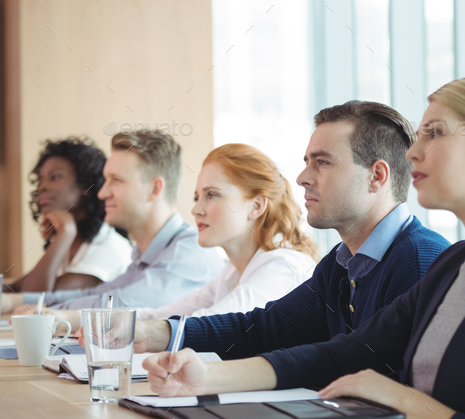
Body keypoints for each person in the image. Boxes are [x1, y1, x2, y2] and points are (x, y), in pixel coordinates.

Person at [143, 76, 465, 419]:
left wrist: (403, 399)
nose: (412, 154)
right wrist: (207, 376)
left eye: (434, 133)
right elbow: (344, 353)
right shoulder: (456, 263)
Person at [134, 100, 450, 355]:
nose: (301, 177)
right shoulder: (338, 265)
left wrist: (216, 375)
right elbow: (265, 328)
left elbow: (371, 372)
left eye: (322, 162)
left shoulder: (420, 260)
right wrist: (158, 333)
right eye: (306, 161)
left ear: (377, 176)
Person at [5, 130, 222, 329]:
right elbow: (97, 295)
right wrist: (16, 300)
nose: (102, 193)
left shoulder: (189, 251)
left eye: (116, 180)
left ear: (154, 189)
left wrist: (55, 314)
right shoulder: (143, 255)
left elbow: (122, 307)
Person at [134, 143, 317, 320]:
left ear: (256, 206)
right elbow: (161, 317)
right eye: (196, 197)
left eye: (211, 195)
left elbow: (206, 326)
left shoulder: (283, 268)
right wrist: (116, 321)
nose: (195, 210)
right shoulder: (231, 272)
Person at [6, 138, 132, 292]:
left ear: (85, 185)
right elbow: (16, 287)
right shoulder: (73, 241)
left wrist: (65, 233)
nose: (42, 187)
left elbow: (37, 301)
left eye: (55, 177)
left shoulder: (108, 246)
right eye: (40, 180)